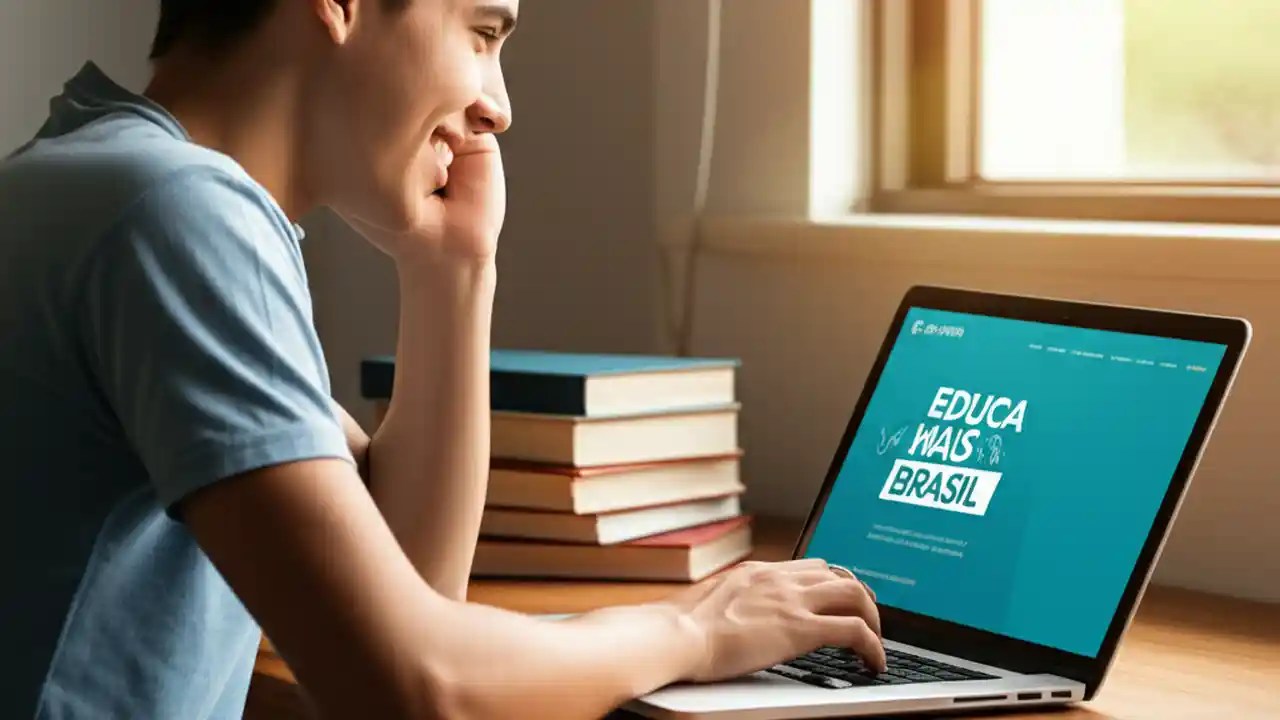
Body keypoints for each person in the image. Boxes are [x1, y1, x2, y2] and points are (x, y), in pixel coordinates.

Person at [0, 1, 884, 718]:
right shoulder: (176, 212)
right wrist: (694, 629)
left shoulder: (82, 180)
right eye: (483, 33)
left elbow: (407, 591)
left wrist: (453, 273)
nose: (499, 105)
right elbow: (408, 685)